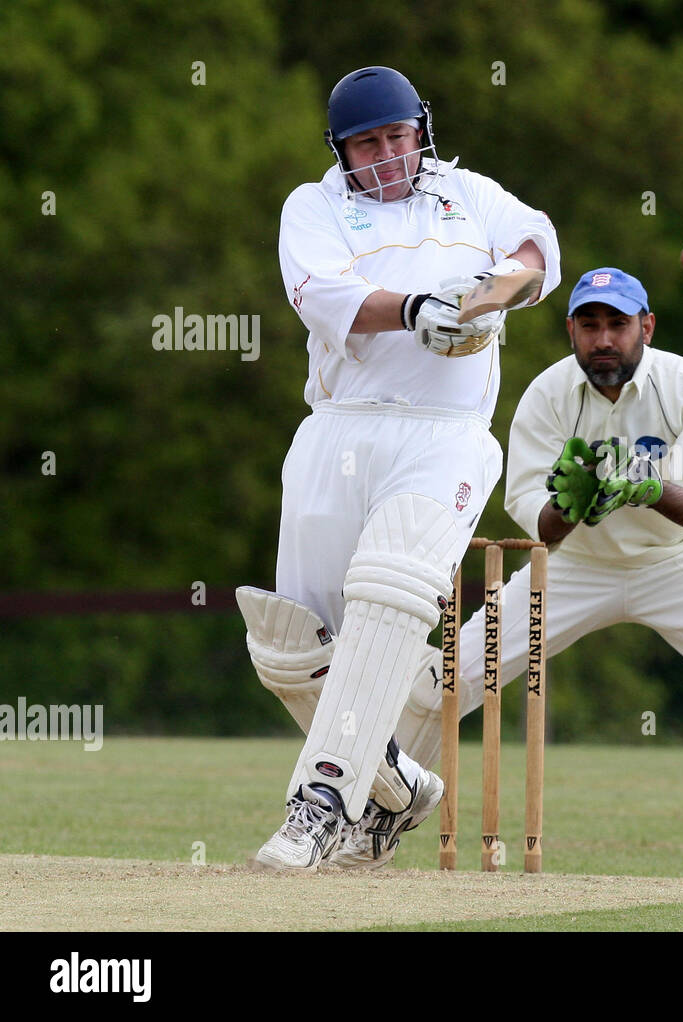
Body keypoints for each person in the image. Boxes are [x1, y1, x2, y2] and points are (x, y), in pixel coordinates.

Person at [394, 267, 683, 882]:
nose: (603, 340)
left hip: (676, 560)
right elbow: (539, 528)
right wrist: (572, 503)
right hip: (575, 567)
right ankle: (369, 821)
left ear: (646, 325)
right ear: (570, 330)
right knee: (443, 676)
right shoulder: (546, 395)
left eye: (617, 324)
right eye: (589, 325)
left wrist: (650, 488)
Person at [237, 65, 560, 872]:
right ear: (341, 149)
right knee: (286, 647)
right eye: (366, 143)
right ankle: (398, 782)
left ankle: (320, 803)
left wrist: (493, 292)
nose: (385, 155)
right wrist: (420, 310)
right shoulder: (314, 207)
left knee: (390, 588)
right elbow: (322, 295)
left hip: (446, 435)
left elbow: (536, 251)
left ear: (422, 130)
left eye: (396, 137)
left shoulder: (470, 195)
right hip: (337, 428)